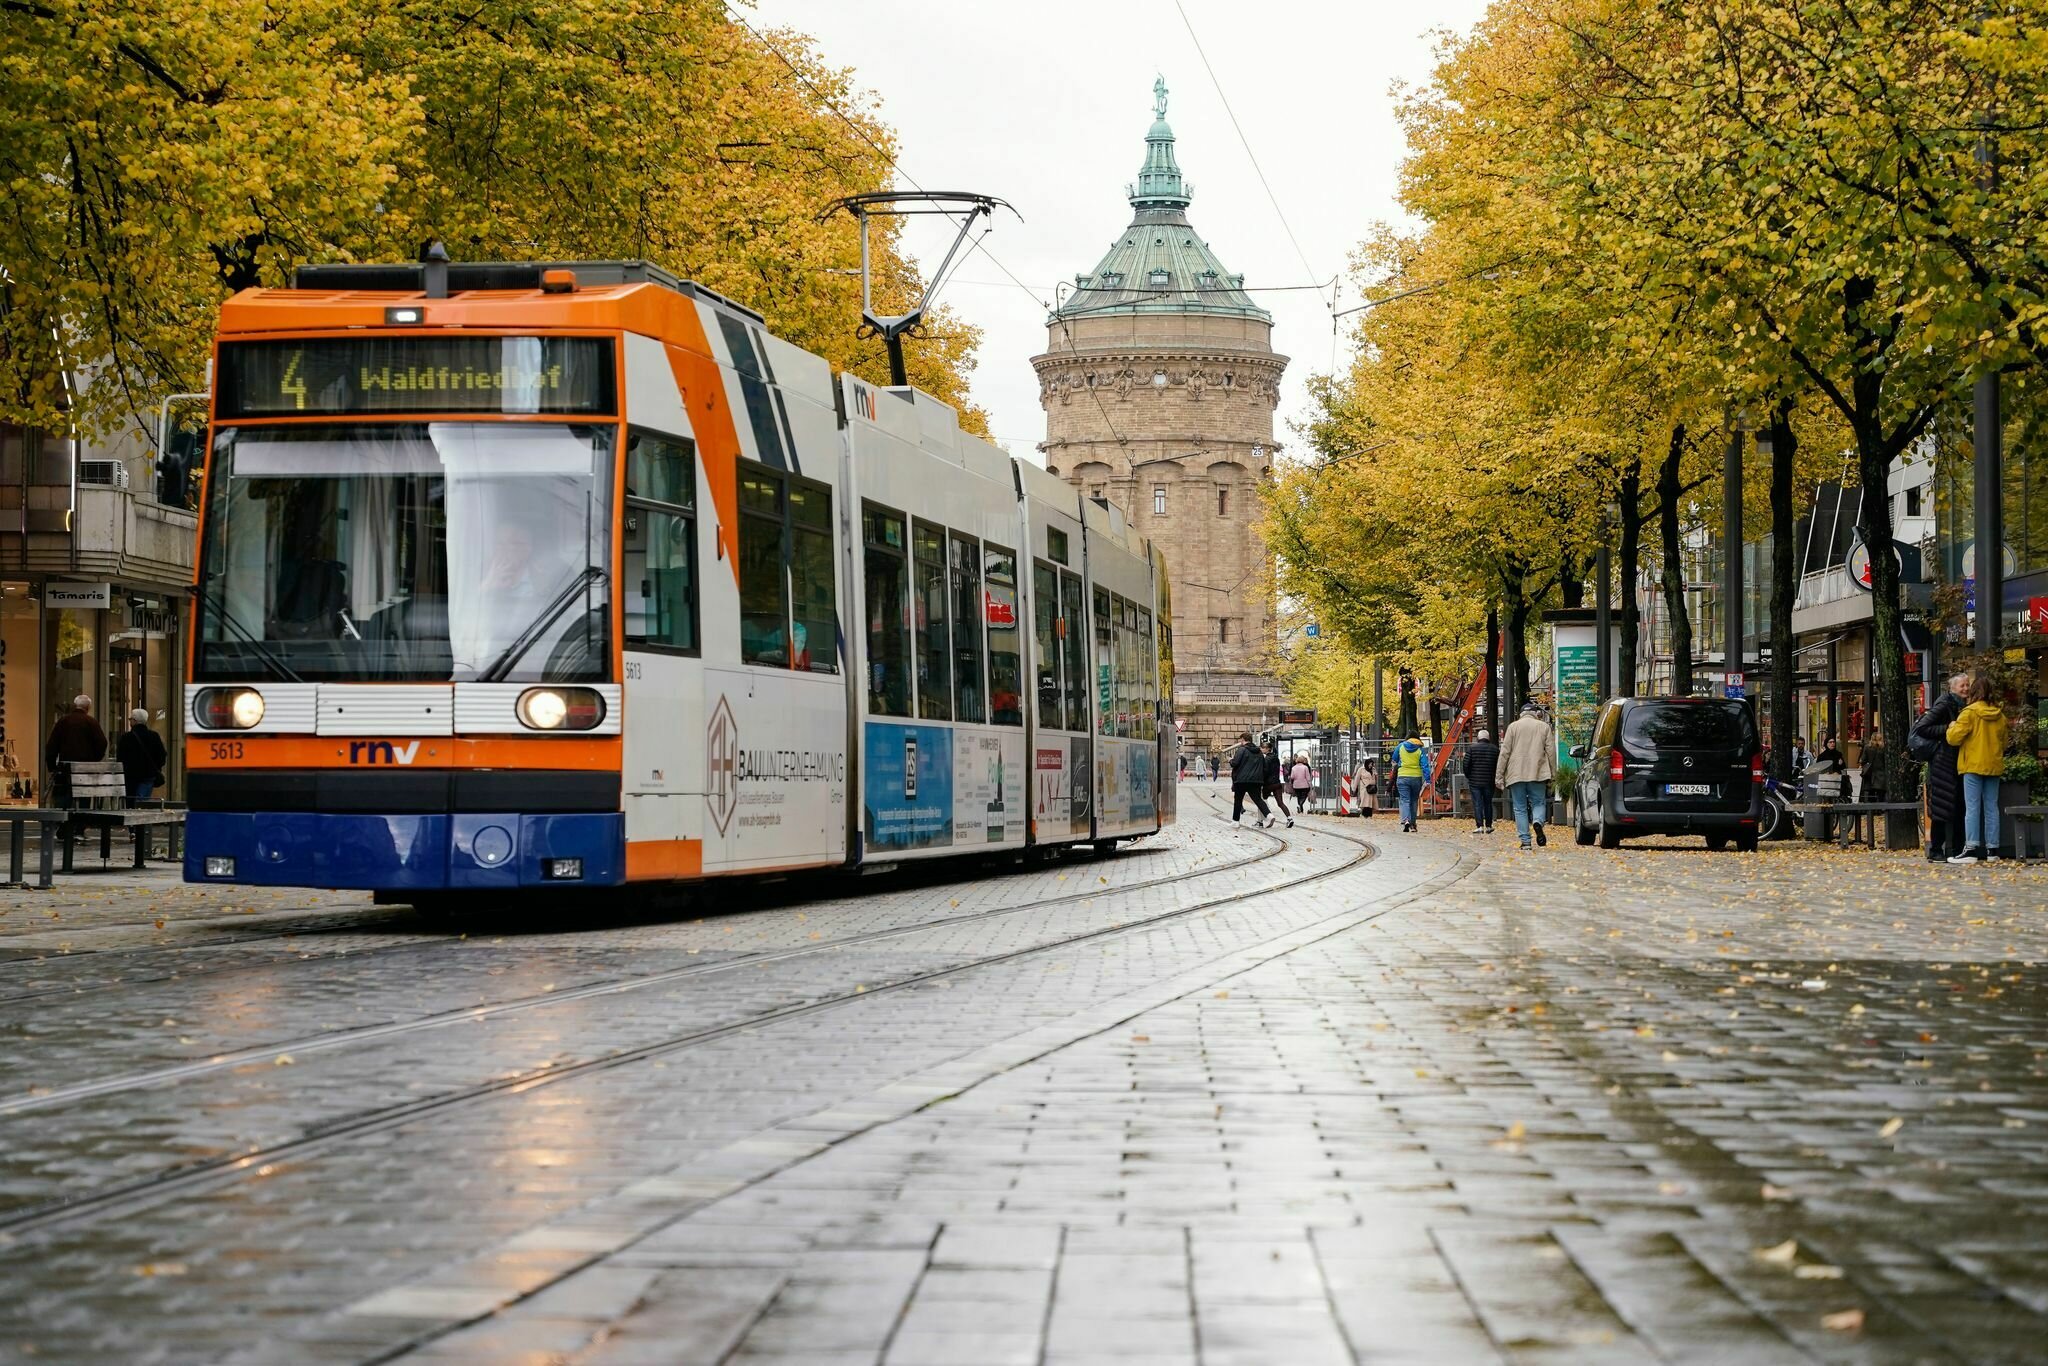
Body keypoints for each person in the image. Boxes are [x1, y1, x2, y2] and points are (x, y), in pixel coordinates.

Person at [1946, 674, 2010, 864]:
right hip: (1993, 766)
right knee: (1992, 807)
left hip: (1972, 765)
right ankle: (1992, 850)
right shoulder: (2000, 716)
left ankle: (1971, 849)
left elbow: (1953, 739)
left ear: (1974, 692)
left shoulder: (1969, 713)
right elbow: (2004, 743)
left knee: (1972, 808)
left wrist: (1952, 726)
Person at [1911, 675, 1968, 863]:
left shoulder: (1961, 706)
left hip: (1953, 762)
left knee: (1957, 807)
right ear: (1953, 688)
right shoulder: (1944, 705)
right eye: (1962, 685)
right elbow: (1922, 728)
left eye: (1967, 685)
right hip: (1943, 763)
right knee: (1942, 807)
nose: (1966, 688)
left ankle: (1956, 850)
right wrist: (1946, 728)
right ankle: (1936, 850)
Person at [1498, 702, 1556, 850]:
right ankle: (1537, 821)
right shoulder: (1544, 727)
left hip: (1516, 773)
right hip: (1538, 772)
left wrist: (1499, 775)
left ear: (1521, 714)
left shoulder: (1513, 727)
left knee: (1520, 807)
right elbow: (1551, 752)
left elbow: (1504, 753)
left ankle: (1525, 841)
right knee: (1538, 802)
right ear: (1536, 714)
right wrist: (1553, 773)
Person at [116, 708, 168, 801]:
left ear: (135, 721)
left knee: (131, 802)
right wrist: (155, 768)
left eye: (130, 719)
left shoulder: (126, 738)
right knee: (143, 802)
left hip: (131, 777)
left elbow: (120, 758)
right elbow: (162, 756)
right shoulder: (154, 736)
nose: (130, 721)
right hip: (149, 776)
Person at [46, 694, 108, 770]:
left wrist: (52, 766)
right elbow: (102, 742)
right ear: (88, 707)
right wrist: (94, 759)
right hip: (86, 767)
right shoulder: (92, 722)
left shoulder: (63, 721)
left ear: (75, 705)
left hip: (66, 767)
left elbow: (52, 745)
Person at [1227, 732, 1273, 826]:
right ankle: (1269, 815)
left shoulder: (1242, 750)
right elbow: (1264, 767)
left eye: (1240, 740)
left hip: (1242, 780)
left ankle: (1235, 821)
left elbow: (1235, 763)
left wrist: (1230, 760)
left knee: (1238, 800)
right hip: (1256, 780)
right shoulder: (1259, 752)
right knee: (1258, 799)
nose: (1240, 742)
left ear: (1243, 739)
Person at [1391, 731, 1431, 831]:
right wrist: (1428, 780)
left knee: (1404, 799)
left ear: (1407, 738)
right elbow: (1425, 766)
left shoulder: (1400, 746)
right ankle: (1413, 824)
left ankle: (1406, 820)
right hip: (1416, 778)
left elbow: (1394, 759)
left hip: (1402, 776)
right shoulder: (1420, 749)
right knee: (1414, 800)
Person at [1464, 728, 1500, 834]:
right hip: (1489, 781)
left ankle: (1479, 825)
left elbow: (1466, 764)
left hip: (1475, 781)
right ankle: (1488, 825)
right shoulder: (1495, 750)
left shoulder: (1471, 749)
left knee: (1477, 803)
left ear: (1478, 738)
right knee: (1488, 803)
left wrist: (1469, 776)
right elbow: (1499, 765)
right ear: (1488, 738)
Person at [1262, 739, 1293, 828]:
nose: (1261, 749)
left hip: (1268, 784)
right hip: (1277, 783)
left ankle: (1266, 818)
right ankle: (1289, 818)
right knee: (1280, 803)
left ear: (1267, 749)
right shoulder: (1276, 758)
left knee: (1262, 801)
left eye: (1262, 748)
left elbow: (1265, 771)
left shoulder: (1266, 759)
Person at [1811, 733, 1847, 805]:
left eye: (1833, 742)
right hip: (1826, 780)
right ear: (1826, 744)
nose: (1832, 744)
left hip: (1836, 779)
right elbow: (1818, 768)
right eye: (1830, 742)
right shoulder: (1822, 756)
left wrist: (1841, 764)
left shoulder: (1838, 754)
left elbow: (1843, 766)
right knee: (1826, 800)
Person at [1859, 731, 1888, 804]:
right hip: (1881, 774)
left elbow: (1863, 760)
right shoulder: (1883, 748)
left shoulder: (1867, 747)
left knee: (1870, 795)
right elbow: (1886, 761)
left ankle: (1872, 809)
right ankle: (1880, 808)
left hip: (1870, 774)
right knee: (1881, 796)